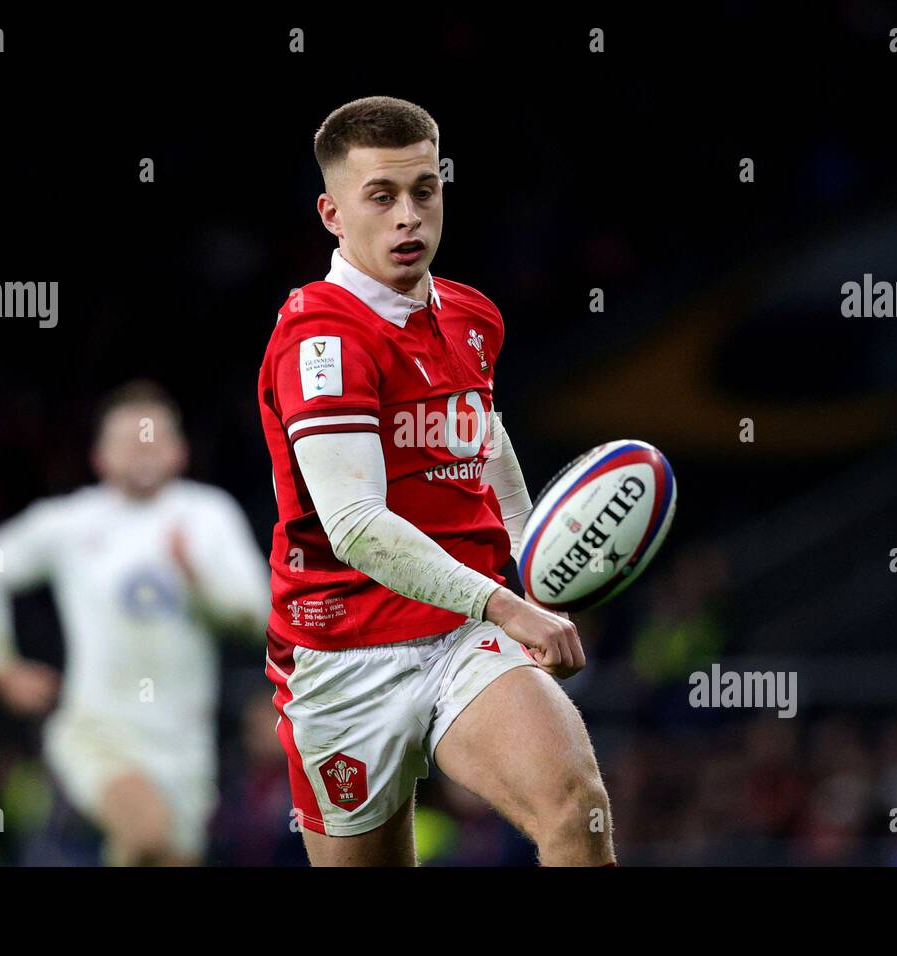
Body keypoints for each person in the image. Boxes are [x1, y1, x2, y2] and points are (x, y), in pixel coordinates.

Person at [257, 96, 615, 865]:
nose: (408, 216)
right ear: (332, 212)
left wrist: (531, 556)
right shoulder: (319, 338)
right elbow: (354, 524)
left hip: (461, 637)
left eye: (425, 190)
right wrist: (507, 602)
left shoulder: (470, 316)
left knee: (573, 808)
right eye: (380, 197)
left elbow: (482, 434)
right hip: (341, 655)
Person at [0, 380, 269, 865]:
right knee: (145, 832)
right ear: (99, 456)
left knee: (157, 855)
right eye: (128, 441)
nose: (143, 450)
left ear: (180, 452)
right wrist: (0, 665)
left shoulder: (207, 516)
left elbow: (259, 614)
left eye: (155, 439)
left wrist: (199, 583)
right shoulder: (71, 523)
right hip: (100, 732)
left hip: (185, 749)